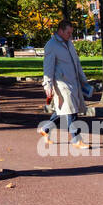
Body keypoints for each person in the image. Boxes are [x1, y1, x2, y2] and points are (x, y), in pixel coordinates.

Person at [41, 19, 92, 149]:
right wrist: (47, 84)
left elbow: (77, 63)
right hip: (61, 84)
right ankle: (76, 139)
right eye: (68, 33)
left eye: (71, 33)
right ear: (60, 31)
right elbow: (48, 67)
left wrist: (83, 80)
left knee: (63, 110)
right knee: (71, 111)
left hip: (73, 82)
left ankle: (45, 129)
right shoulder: (51, 45)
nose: (70, 35)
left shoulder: (69, 44)